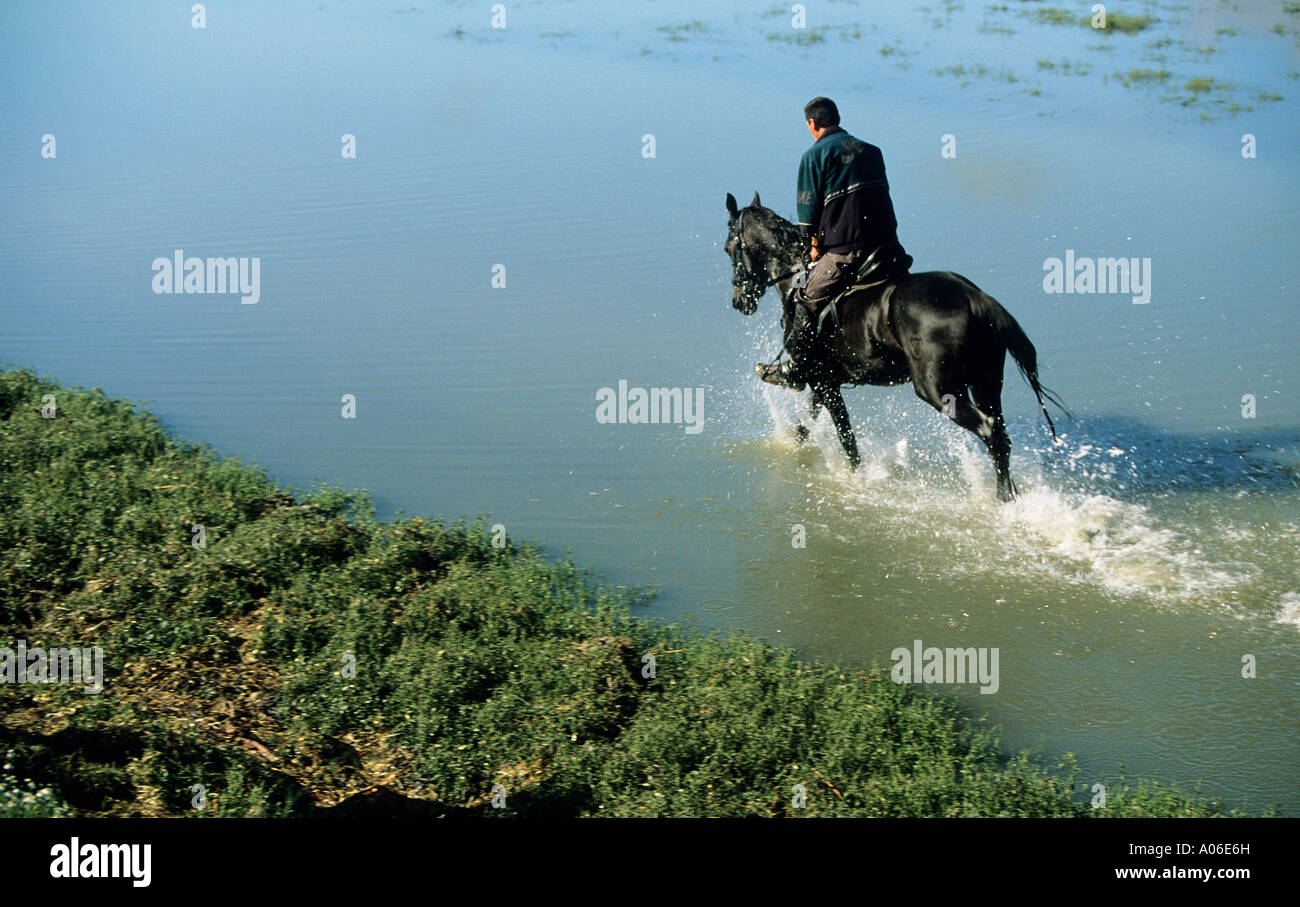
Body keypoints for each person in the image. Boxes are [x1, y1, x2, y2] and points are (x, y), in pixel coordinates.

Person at [757, 97, 908, 391]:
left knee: (804, 298)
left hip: (848, 252)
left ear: (812, 124)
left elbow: (808, 214)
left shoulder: (814, 156)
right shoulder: (872, 150)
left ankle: (797, 368)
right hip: (888, 248)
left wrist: (813, 244)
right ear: (837, 118)